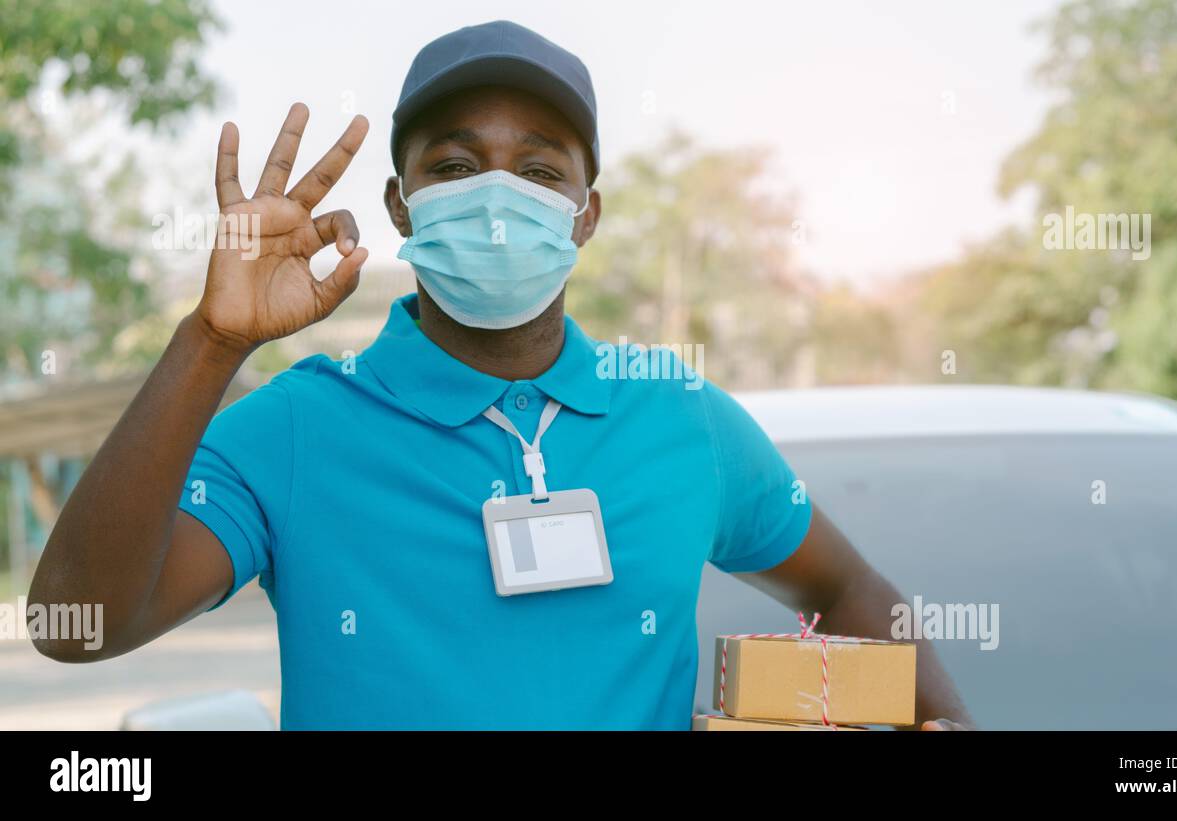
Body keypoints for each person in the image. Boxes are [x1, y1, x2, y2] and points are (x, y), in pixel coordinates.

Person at [29, 20, 971, 730]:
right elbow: (76, 627)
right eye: (455, 164)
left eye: (538, 169)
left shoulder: (683, 417)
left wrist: (948, 718)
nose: (495, 196)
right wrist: (211, 340)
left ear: (585, 213)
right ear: (401, 206)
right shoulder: (294, 427)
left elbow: (846, 585)